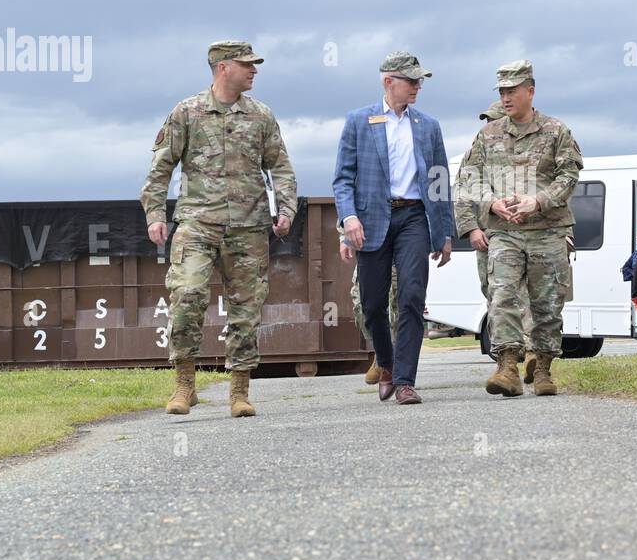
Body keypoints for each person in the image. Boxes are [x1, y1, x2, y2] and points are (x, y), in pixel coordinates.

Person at [140, 41, 297, 417]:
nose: (254, 70)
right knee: (187, 297)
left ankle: (239, 392)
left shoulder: (261, 116)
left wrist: (286, 209)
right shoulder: (188, 112)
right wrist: (155, 215)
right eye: (247, 65)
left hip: (249, 227)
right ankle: (184, 385)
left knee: (246, 310)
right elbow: (161, 168)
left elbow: (281, 168)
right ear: (223, 67)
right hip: (197, 223)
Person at [332, 51, 455, 405]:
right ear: (389, 81)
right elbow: (343, 179)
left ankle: (404, 380)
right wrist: (348, 219)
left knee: (412, 296)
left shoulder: (428, 126)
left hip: (414, 217)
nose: (417, 87)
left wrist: (444, 232)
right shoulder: (359, 121)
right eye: (411, 80)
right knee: (371, 305)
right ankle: (385, 363)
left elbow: (440, 181)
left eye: (420, 81)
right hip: (371, 220)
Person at [459, 60, 582, 396]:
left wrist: (538, 201)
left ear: (530, 90)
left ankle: (542, 369)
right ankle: (508, 368)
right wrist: (491, 204)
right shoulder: (487, 135)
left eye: (512, 90)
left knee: (547, 303)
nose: (506, 97)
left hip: (547, 231)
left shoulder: (556, 131)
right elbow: (469, 177)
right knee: (503, 296)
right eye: (502, 91)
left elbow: (569, 177)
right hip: (504, 232)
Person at [454, 101, 539, 385]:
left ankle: (529, 353)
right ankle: (509, 356)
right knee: (495, 293)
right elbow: (463, 194)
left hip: (531, 234)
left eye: (494, 119)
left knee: (528, 294)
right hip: (490, 236)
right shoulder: (475, 154)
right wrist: (471, 230)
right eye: (487, 120)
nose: (488, 124)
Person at [341, 234, 396, 384]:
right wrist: (344, 238)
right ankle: (382, 352)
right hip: (371, 243)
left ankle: (398, 368)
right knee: (362, 303)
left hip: (399, 247)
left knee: (397, 307)